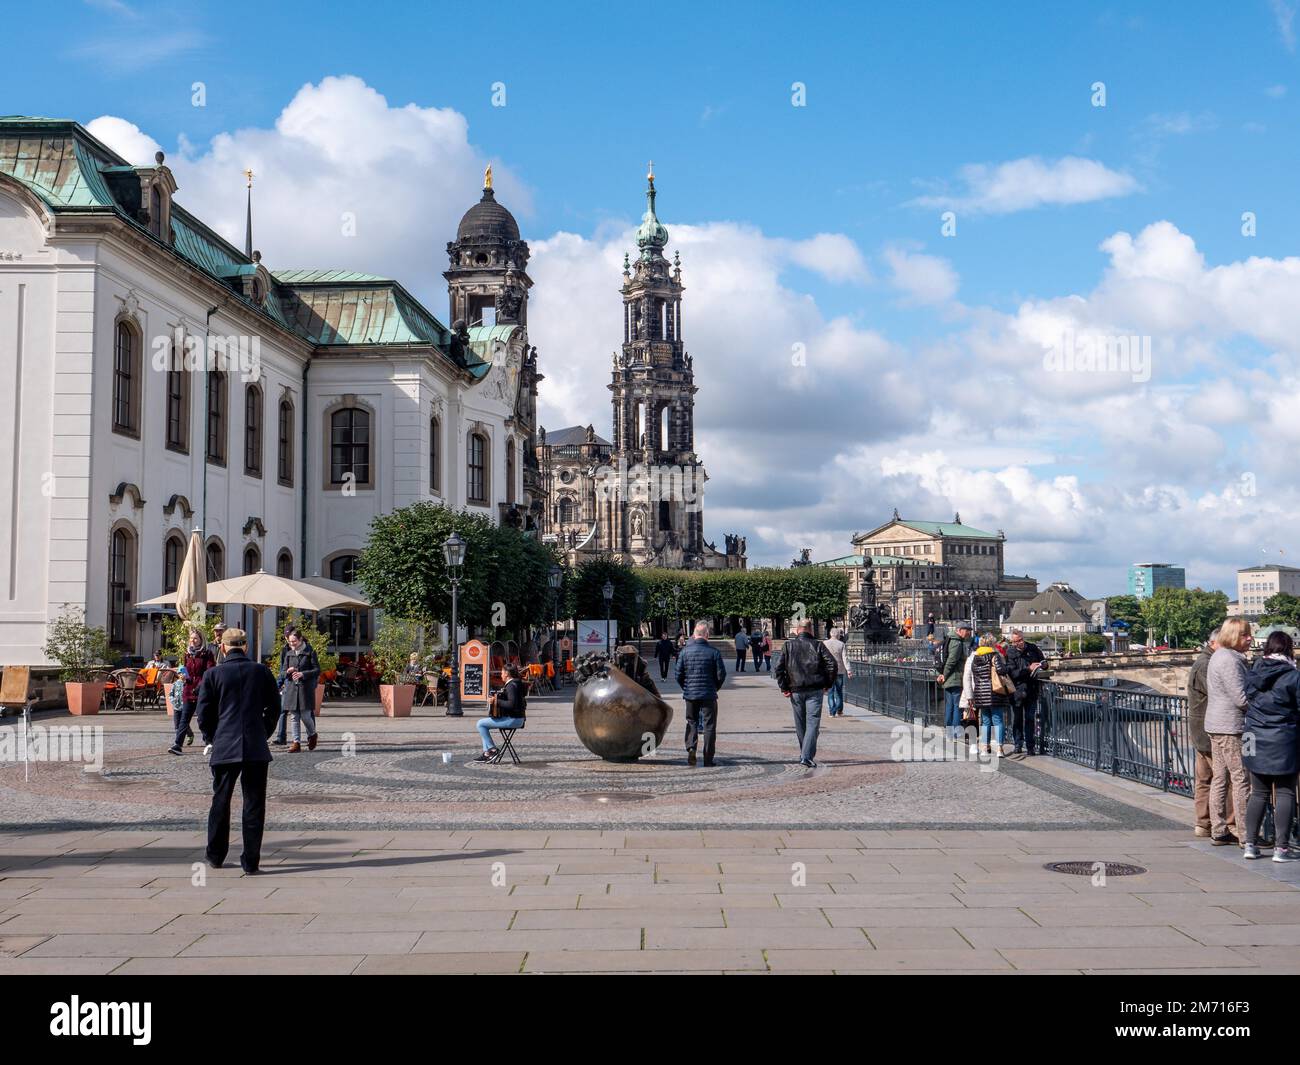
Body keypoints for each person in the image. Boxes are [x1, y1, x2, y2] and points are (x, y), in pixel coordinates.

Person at [197, 627, 281, 874]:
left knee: (220, 801)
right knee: (254, 804)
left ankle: (215, 854)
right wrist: (262, 732)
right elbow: (274, 708)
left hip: (224, 745)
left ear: (222, 647)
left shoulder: (213, 674)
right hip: (255, 745)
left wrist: (214, 737)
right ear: (245, 647)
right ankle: (251, 860)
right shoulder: (261, 671)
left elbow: (203, 714)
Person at [1242, 630, 1300, 861]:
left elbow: (1248, 699)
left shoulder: (1254, 670)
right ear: (1288, 649)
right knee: (1285, 792)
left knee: (1258, 793)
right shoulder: (1294, 676)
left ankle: (1249, 844)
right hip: (1283, 738)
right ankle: (1281, 848)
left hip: (1254, 737)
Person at [1206, 616, 1253, 847]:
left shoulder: (1219, 656)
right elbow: (1241, 698)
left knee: (1220, 778)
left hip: (1216, 724)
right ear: (1234, 636)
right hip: (1231, 727)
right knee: (1241, 778)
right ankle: (1246, 835)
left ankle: (1219, 829)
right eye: (1245, 635)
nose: (1250, 638)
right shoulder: (1230, 660)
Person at [1188, 630, 1236, 839]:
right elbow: (1221, 692)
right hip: (1210, 730)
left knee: (1206, 779)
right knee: (1225, 779)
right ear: (1216, 642)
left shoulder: (1204, 660)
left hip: (1202, 730)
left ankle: (1204, 823)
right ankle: (1226, 825)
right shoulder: (1208, 664)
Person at [775, 618, 837, 767]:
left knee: (801, 724)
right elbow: (832, 665)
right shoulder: (818, 645)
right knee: (813, 723)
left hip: (795, 690)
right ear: (810, 630)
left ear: (797, 630)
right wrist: (827, 684)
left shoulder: (788, 645)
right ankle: (806, 755)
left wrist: (784, 687)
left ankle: (805, 754)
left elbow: (778, 668)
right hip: (815, 689)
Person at [675, 621, 726, 767]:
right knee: (709, 726)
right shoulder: (714, 652)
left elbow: (678, 674)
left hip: (690, 695)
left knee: (692, 722)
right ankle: (708, 758)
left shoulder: (685, 652)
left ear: (694, 635)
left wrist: (686, 688)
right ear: (707, 635)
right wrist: (714, 688)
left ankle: (691, 748)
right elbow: (721, 674)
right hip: (709, 695)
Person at [960, 633, 1012, 756]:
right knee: (998, 720)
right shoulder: (995, 656)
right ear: (992, 643)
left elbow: (968, 677)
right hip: (995, 692)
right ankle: (999, 748)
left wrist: (970, 696)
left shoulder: (974, 657)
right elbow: (1002, 671)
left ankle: (984, 748)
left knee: (985, 721)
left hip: (980, 694)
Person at [274, 627, 320, 753]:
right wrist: (287, 672)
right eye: (290, 642)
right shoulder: (288, 653)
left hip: (305, 688)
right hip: (291, 688)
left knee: (305, 716)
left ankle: (312, 734)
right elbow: (282, 672)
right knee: (294, 717)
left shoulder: (310, 652)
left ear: (300, 640)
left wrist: (303, 674)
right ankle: (296, 743)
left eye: (294, 642)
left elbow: (317, 670)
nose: (291, 644)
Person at [170, 628, 214, 755]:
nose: (192, 641)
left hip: (202, 691)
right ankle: (177, 745)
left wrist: (200, 686)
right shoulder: (187, 654)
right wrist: (183, 677)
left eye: (195, 638)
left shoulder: (207, 654)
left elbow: (209, 672)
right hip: (188, 690)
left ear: (201, 640)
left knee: (203, 719)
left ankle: (209, 742)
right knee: (184, 719)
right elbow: (185, 670)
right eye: (191, 638)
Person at [1005, 628, 1046, 755]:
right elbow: (1012, 673)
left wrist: (1044, 664)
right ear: (1012, 642)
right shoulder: (1010, 653)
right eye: (1016, 642)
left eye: (1021, 640)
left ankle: (1030, 746)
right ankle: (1018, 744)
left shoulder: (1032, 648)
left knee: (1030, 718)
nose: (1019, 643)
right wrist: (1028, 669)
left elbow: (1043, 660)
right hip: (1017, 690)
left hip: (1032, 689)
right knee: (1017, 719)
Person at [475, 664, 527, 762]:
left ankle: (492, 750)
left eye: (502, 672)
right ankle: (487, 753)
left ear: (507, 674)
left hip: (513, 719)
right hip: (518, 718)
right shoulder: (517, 683)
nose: (501, 675)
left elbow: (511, 704)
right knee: (483, 725)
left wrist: (495, 701)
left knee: (480, 724)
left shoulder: (511, 686)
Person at [938, 623, 971, 744]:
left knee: (950, 706)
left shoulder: (950, 639)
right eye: (967, 630)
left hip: (949, 679)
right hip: (955, 678)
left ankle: (949, 733)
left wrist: (943, 675)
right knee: (957, 707)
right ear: (959, 630)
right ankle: (955, 733)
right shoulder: (957, 643)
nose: (969, 633)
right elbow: (952, 661)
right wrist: (944, 674)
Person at [822, 627, 852, 717]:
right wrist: (849, 670)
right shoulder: (841, 644)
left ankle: (832, 712)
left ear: (830, 634)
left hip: (828, 671)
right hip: (839, 670)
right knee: (839, 691)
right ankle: (839, 710)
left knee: (830, 692)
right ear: (838, 635)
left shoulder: (824, 643)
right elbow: (845, 658)